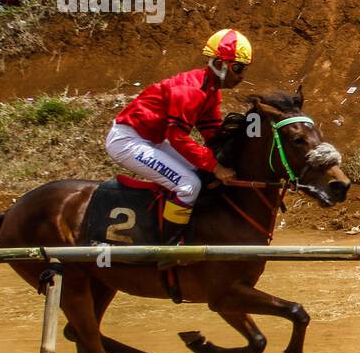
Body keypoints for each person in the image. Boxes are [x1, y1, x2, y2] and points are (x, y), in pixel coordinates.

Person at [105, 29, 251, 241]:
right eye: (237, 69)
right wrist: (216, 167)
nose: (241, 77)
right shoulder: (191, 91)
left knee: (200, 175)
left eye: (243, 70)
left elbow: (212, 133)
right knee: (188, 185)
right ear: (220, 64)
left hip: (151, 138)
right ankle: (167, 246)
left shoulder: (210, 91)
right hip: (127, 140)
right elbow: (178, 138)